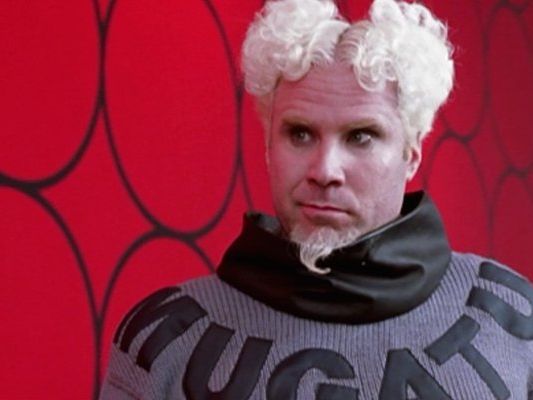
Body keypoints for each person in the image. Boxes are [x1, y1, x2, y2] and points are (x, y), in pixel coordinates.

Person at [100, 0, 533, 398]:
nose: (325, 170)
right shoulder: (166, 341)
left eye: (361, 136)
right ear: (268, 147)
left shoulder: (511, 319)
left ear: (411, 154)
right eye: (300, 134)